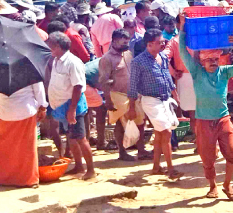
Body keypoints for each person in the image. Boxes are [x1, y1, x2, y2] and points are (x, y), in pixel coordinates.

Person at [179, 20, 233, 200]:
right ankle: (212, 186)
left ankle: (227, 185)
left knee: (232, 153)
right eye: (209, 60)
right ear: (202, 61)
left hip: (223, 119)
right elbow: (183, 52)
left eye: (216, 59)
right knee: (207, 158)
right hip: (204, 121)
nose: (213, 62)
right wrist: (182, 30)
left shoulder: (224, 72)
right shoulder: (197, 72)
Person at [127, 28, 180, 178]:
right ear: (149, 44)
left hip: (164, 99)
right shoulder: (138, 62)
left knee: (159, 134)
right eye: (160, 42)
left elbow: (167, 76)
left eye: (163, 42)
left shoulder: (162, 56)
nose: (163, 44)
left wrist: (175, 94)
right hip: (150, 101)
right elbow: (133, 86)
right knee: (166, 132)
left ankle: (156, 167)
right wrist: (131, 107)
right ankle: (171, 169)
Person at [46, 32, 96, 180]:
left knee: (80, 138)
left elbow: (78, 86)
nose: (49, 49)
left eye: (50, 46)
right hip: (61, 106)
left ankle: (91, 170)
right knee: (71, 137)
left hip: (72, 106)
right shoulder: (56, 60)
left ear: (57, 46)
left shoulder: (73, 62)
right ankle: (78, 166)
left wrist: (72, 109)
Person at [98, 28, 150, 161]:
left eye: (128, 42)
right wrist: (108, 100)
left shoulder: (128, 54)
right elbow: (104, 81)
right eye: (124, 42)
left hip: (133, 94)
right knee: (120, 124)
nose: (127, 44)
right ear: (115, 41)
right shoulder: (106, 59)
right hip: (117, 95)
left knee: (140, 121)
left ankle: (141, 150)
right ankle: (122, 152)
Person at [0, 81, 47, 187]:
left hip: (3, 112)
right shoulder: (30, 71)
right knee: (26, 148)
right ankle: (27, 180)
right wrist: (43, 107)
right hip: (25, 112)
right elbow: (39, 90)